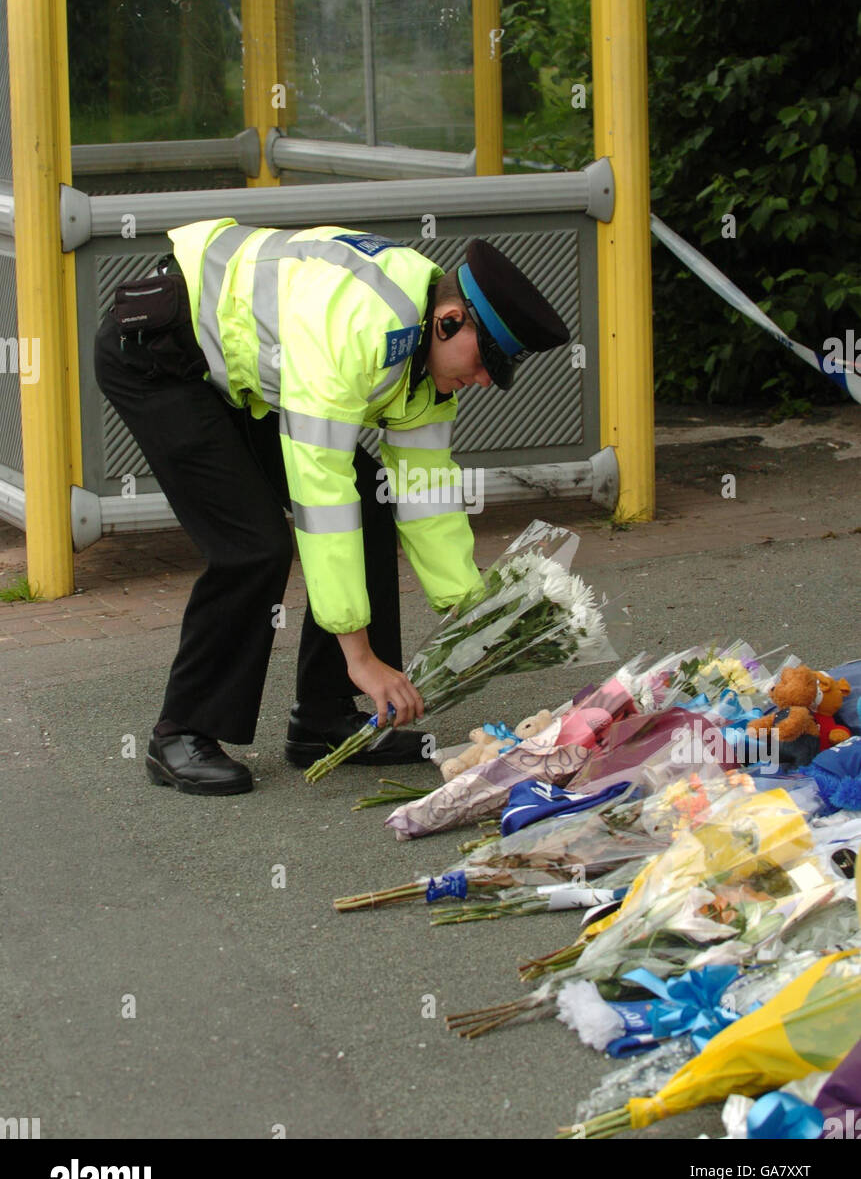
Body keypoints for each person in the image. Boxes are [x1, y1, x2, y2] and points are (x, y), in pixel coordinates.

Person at [94, 221, 570, 795]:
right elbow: (320, 495)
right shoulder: (356, 327)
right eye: (488, 357)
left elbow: (425, 494)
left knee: (374, 502)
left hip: (245, 375)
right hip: (161, 359)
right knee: (254, 543)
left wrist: (475, 614)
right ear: (449, 321)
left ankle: (324, 720)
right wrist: (361, 654)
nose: (488, 379)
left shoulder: (425, 356)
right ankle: (180, 733)